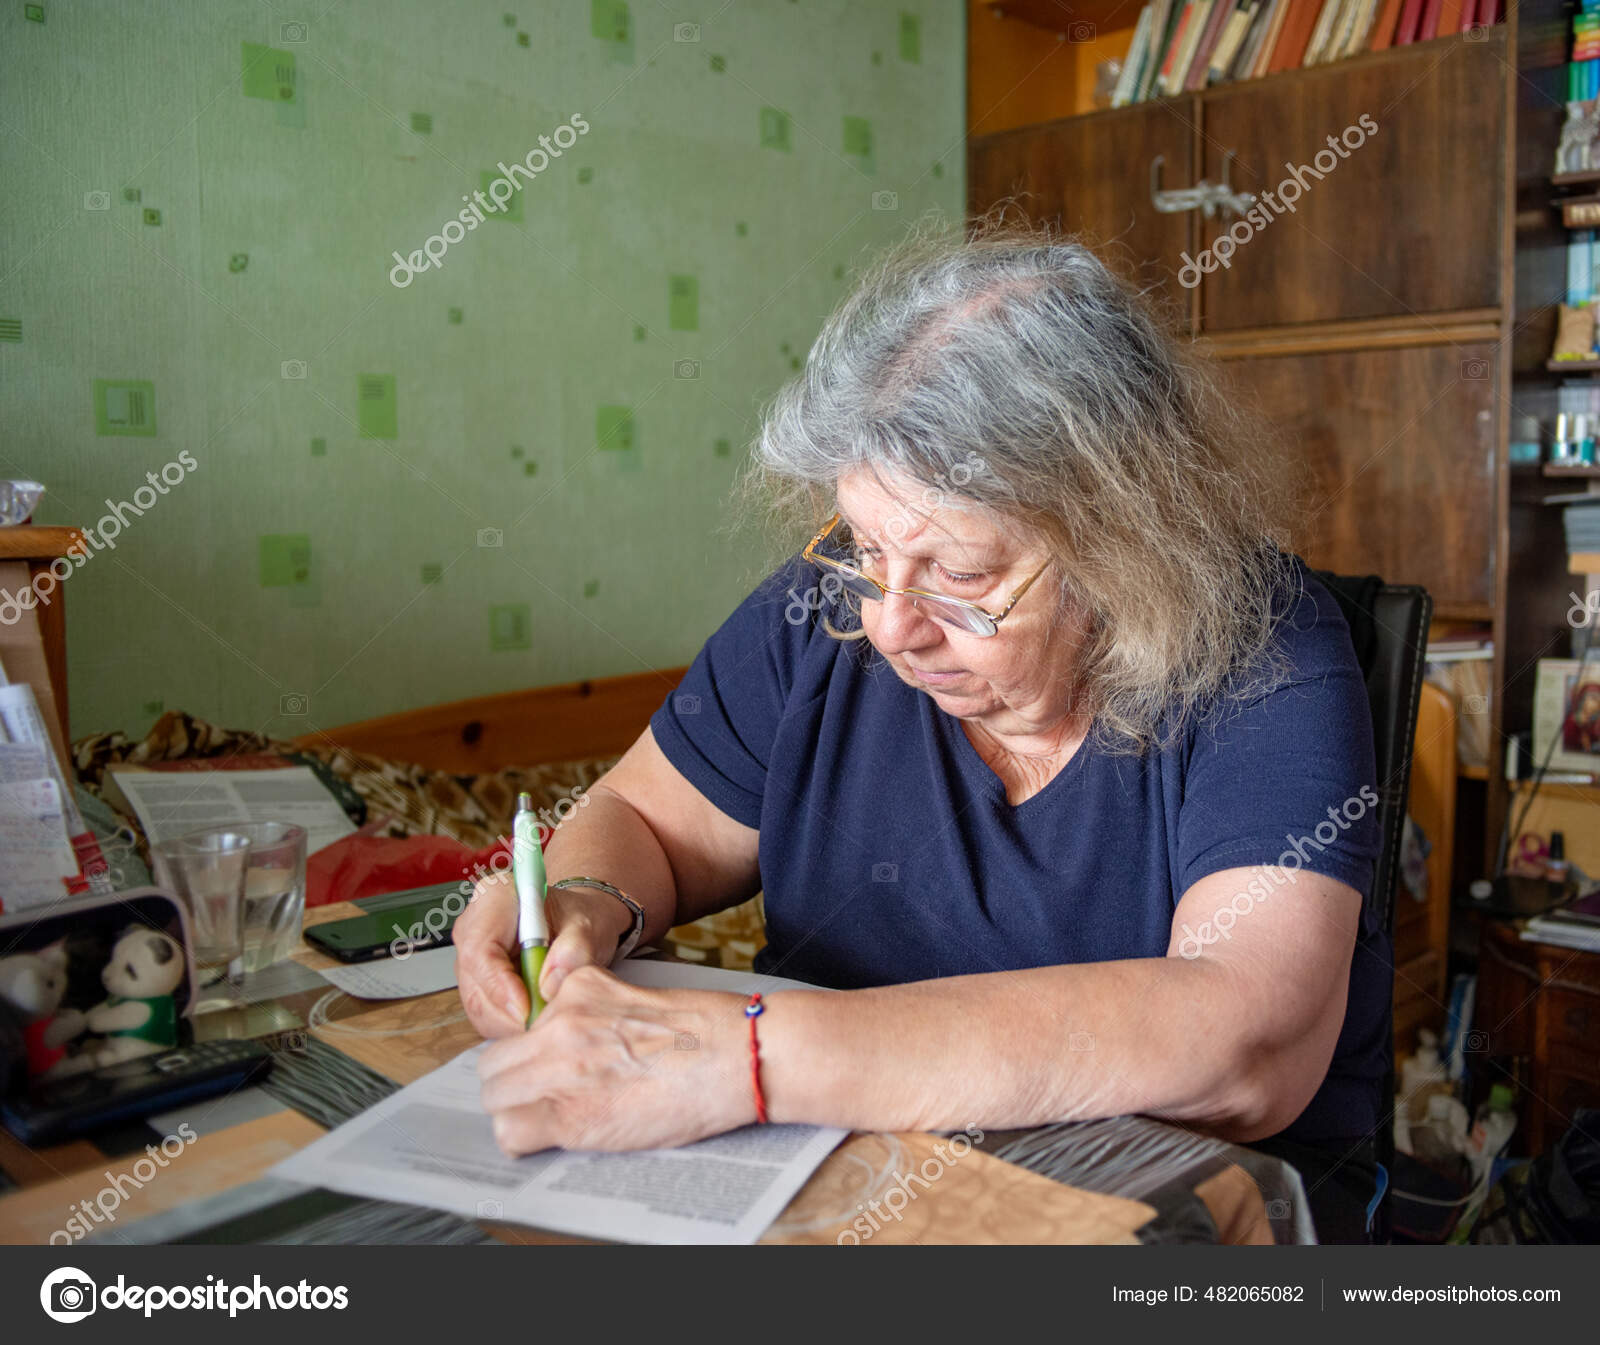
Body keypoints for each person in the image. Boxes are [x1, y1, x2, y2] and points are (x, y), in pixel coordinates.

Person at [455, 220, 1390, 1242]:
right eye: (862, 545)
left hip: (1161, 1218)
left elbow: (1246, 1039)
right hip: (832, 1182)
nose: (888, 623)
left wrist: (756, 1057)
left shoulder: (1259, 644)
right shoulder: (826, 611)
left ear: (1127, 540)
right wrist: (588, 898)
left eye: (962, 573)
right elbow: (644, 813)